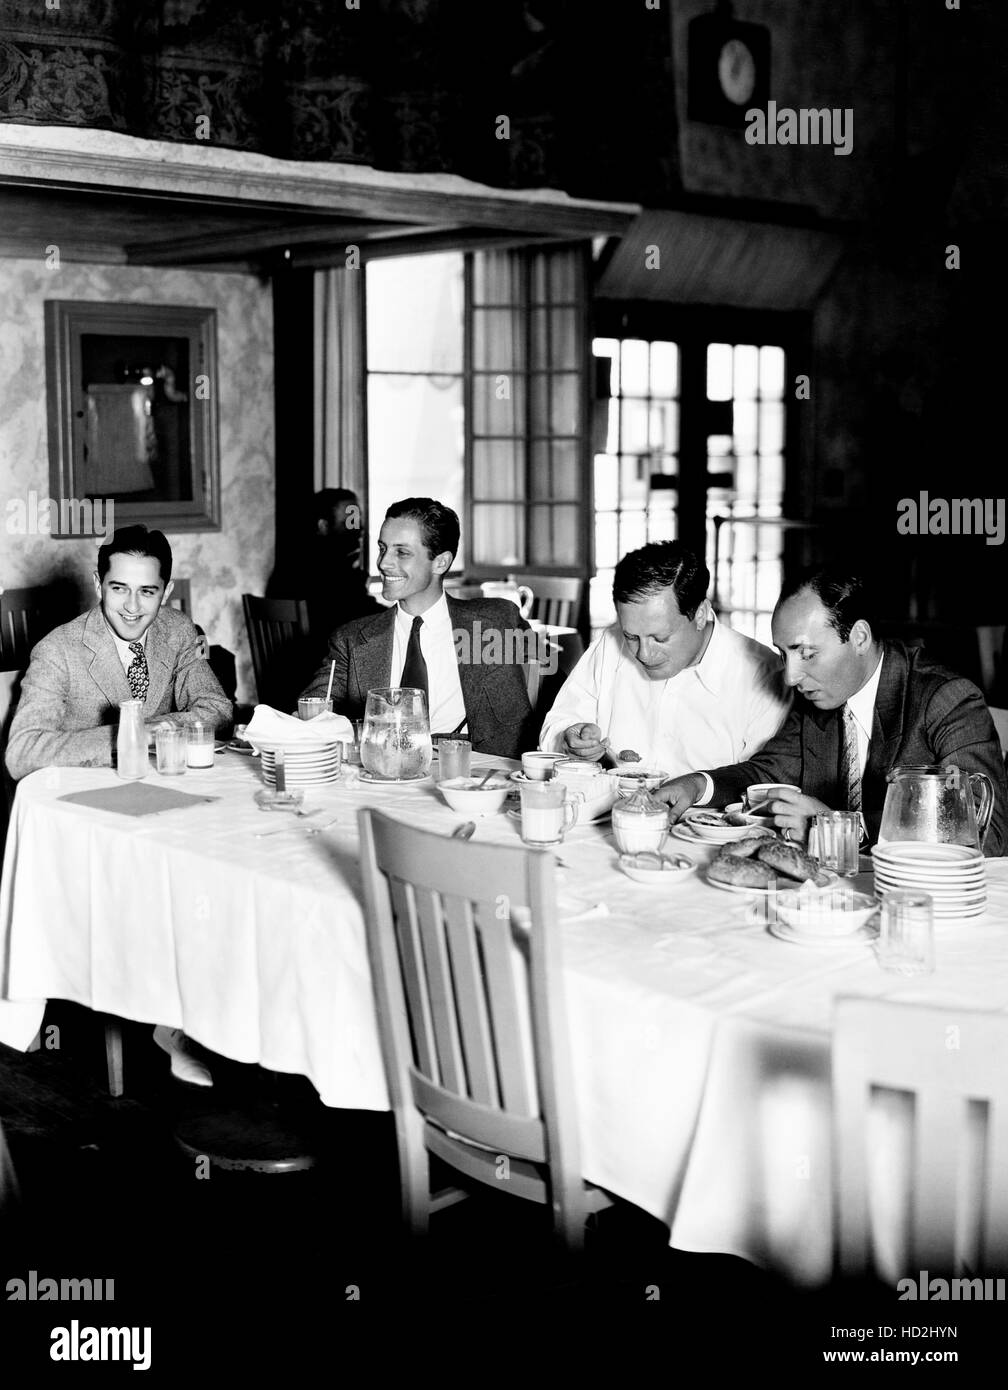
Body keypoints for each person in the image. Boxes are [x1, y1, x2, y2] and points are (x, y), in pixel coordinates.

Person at [5, 525, 233, 1086]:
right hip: (88, 820)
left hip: (165, 801)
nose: (132, 607)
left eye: (148, 592)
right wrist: (126, 735)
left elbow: (216, 708)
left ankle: (198, 1012)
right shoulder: (59, 649)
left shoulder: (177, 633)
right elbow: (21, 753)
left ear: (166, 589)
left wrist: (159, 727)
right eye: (119, 589)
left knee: (222, 861)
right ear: (97, 583)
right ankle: (166, 1017)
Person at [653, 569, 1008, 856]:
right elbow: (768, 770)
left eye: (806, 653)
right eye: (783, 655)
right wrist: (698, 784)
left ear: (859, 637)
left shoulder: (946, 700)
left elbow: (985, 833)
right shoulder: (817, 699)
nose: (791, 677)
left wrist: (838, 827)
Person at [299, 497, 536, 757]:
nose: (383, 563)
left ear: (441, 562)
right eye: (382, 548)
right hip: (386, 775)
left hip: (476, 777)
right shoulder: (351, 639)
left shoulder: (497, 621)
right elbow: (313, 711)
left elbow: (554, 676)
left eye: (402, 552)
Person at [537, 541, 790, 775]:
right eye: (632, 637)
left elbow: (759, 782)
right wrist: (569, 740)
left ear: (700, 614)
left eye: (659, 638)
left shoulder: (763, 675)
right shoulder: (610, 645)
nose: (643, 654)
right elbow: (556, 725)